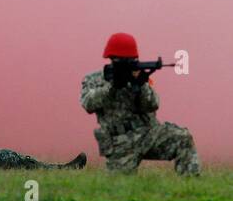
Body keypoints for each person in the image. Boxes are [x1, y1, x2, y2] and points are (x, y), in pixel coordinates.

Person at [81, 32, 199, 175]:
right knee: (119, 185)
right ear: (111, 59)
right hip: (120, 143)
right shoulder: (95, 79)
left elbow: (153, 104)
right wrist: (112, 87)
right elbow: (88, 104)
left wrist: (141, 84)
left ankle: (189, 185)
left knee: (183, 138)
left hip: (149, 133)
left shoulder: (137, 75)